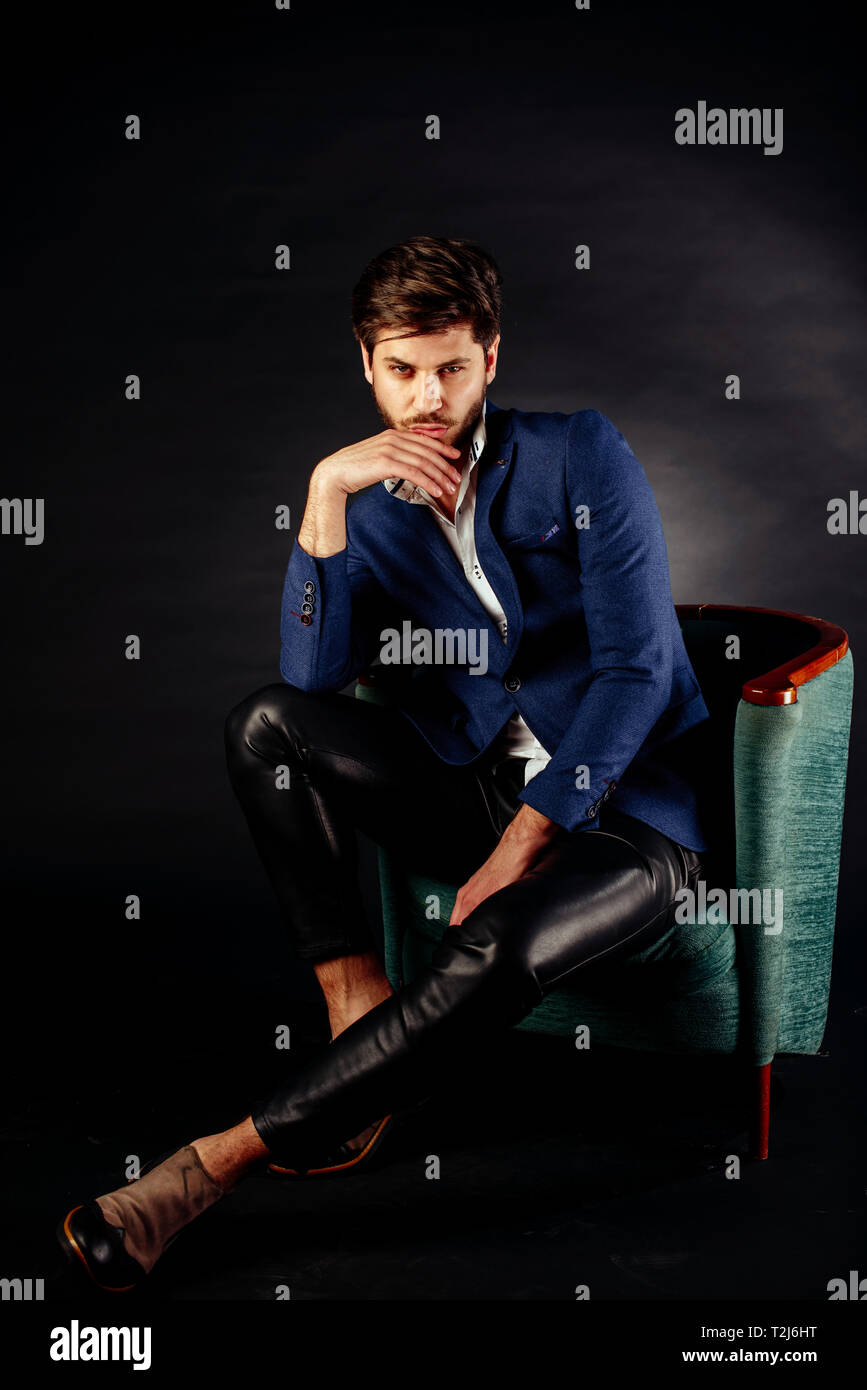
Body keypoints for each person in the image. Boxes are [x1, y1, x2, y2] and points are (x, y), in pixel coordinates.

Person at [57, 234, 715, 1292]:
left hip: (625, 819)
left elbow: (637, 671)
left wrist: (524, 841)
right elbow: (310, 674)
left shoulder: (580, 453)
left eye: (452, 366)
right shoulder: (364, 500)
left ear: (491, 357)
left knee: (498, 942)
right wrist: (324, 493)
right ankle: (356, 1010)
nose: (427, 397)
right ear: (366, 363)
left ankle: (208, 1167)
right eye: (402, 370)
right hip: (473, 780)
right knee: (266, 727)